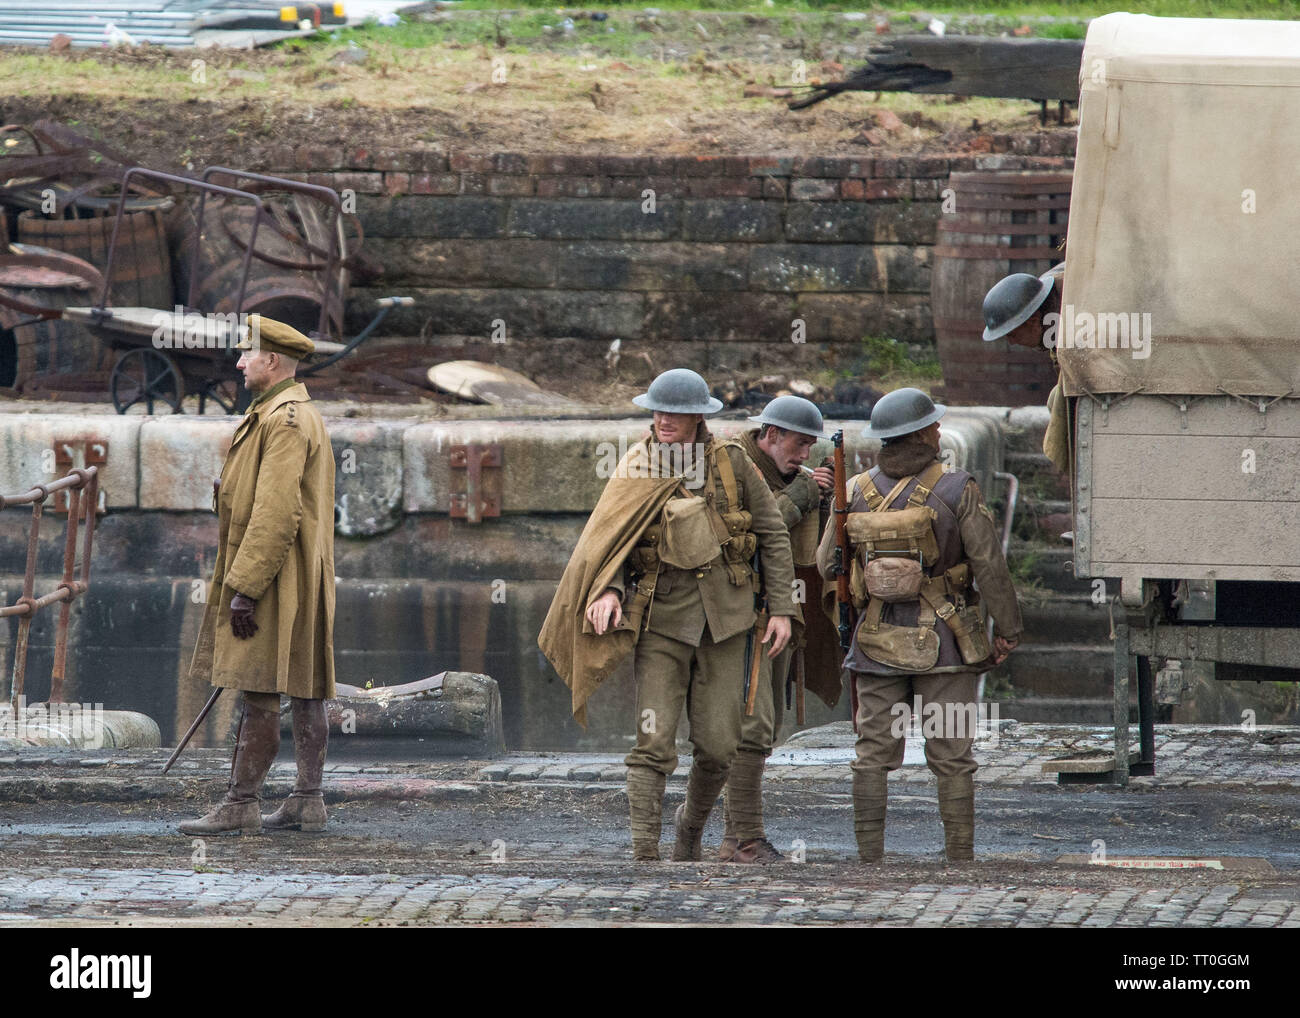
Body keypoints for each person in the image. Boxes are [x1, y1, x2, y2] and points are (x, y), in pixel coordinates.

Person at [539, 368, 797, 861]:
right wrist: (608, 590)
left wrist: (782, 608)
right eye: (656, 411)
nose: (662, 419)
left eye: (673, 412)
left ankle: (688, 831)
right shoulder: (636, 468)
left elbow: (773, 535)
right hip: (662, 623)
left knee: (721, 747)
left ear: (698, 416)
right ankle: (643, 856)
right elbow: (608, 542)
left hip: (728, 624)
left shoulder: (734, 463)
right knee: (653, 743)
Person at [816, 387, 1021, 863]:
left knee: (872, 753)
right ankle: (960, 858)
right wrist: (1008, 629)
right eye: (933, 423)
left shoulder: (853, 492)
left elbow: (825, 562)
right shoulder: (958, 488)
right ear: (926, 433)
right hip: (947, 645)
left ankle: (869, 860)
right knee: (952, 755)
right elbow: (990, 566)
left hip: (874, 643)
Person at [180, 315, 336, 836]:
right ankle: (306, 801)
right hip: (296, 573)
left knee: (259, 689)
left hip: (275, 577)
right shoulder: (283, 413)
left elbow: (276, 514)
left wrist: (245, 589)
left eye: (247, 355)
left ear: (272, 361)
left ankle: (240, 803)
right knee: (307, 686)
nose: (239, 363)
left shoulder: (283, 420)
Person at [721, 395, 840, 863]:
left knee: (762, 730)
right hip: (738, 617)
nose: (804, 456)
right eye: (798, 445)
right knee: (749, 726)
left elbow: (816, 556)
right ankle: (743, 839)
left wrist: (825, 499)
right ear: (770, 435)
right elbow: (745, 534)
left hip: (781, 616)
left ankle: (723, 834)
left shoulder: (797, 480)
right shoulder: (732, 468)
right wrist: (803, 495)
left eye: (811, 448)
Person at [981, 263, 1071, 475]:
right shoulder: (1041, 302)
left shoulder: (1071, 317)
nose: (1011, 343)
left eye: (1012, 334)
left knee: (1058, 400)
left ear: (1032, 322)